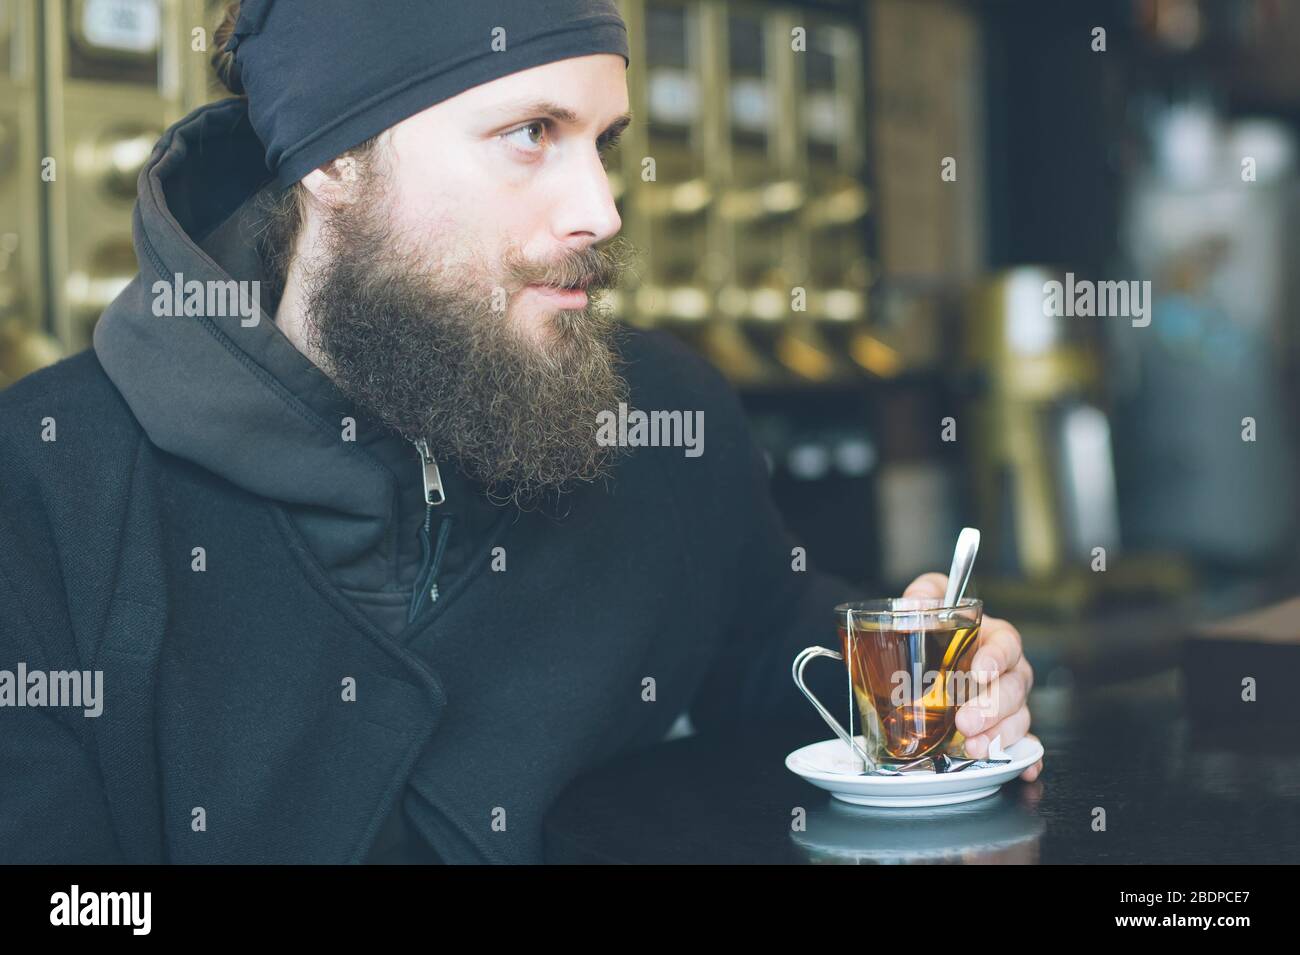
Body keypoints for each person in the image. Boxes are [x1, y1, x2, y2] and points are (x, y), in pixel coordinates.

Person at [0, 0, 1040, 865]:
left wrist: (930, 688)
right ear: (333, 161)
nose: (600, 210)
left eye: (602, 143)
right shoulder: (45, 486)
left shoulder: (663, 421)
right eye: (530, 134)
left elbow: (761, 642)